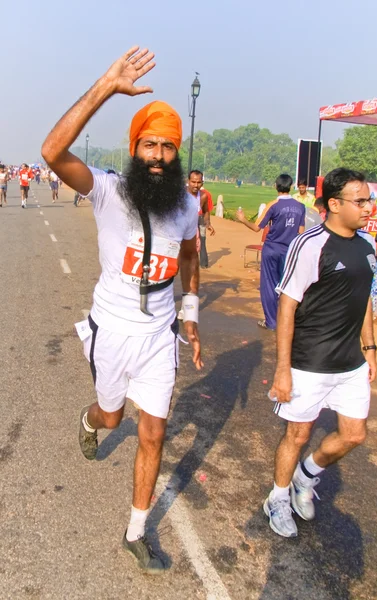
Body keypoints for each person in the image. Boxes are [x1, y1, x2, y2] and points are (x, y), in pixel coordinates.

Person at [41, 47, 202, 574]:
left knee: (152, 431)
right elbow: (51, 151)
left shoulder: (187, 204)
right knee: (113, 416)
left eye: (168, 147)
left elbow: (191, 254)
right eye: (150, 144)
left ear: (178, 155)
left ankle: (136, 532)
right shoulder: (108, 191)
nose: (158, 155)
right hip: (112, 331)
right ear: (135, 148)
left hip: (159, 335)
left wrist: (192, 310)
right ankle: (90, 419)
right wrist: (107, 85)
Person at [265, 168, 377, 538]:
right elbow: (286, 306)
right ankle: (277, 498)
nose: (368, 207)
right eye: (360, 201)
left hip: (351, 364)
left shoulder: (366, 246)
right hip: (309, 363)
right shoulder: (311, 244)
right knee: (297, 435)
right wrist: (283, 369)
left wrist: (371, 349)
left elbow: (362, 303)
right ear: (333, 204)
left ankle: (306, 475)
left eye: (369, 199)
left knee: (354, 435)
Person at [236, 174, 305, 330]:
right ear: (291, 186)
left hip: (272, 249)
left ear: (276, 186)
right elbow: (301, 232)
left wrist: (242, 219)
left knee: (269, 285)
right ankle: (288, 321)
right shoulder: (300, 207)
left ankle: (271, 322)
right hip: (290, 251)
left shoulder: (273, 205)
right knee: (287, 285)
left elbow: (256, 227)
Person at [187, 170, 215, 269]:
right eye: (193, 182)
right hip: (183, 223)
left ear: (202, 183)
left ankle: (204, 264)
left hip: (199, 220)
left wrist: (208, 223)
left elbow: (206, 211)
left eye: (198, 182)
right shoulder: (181, 194)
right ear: (188, 181)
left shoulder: (203, 196)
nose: (196, 185)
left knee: (202, 240)